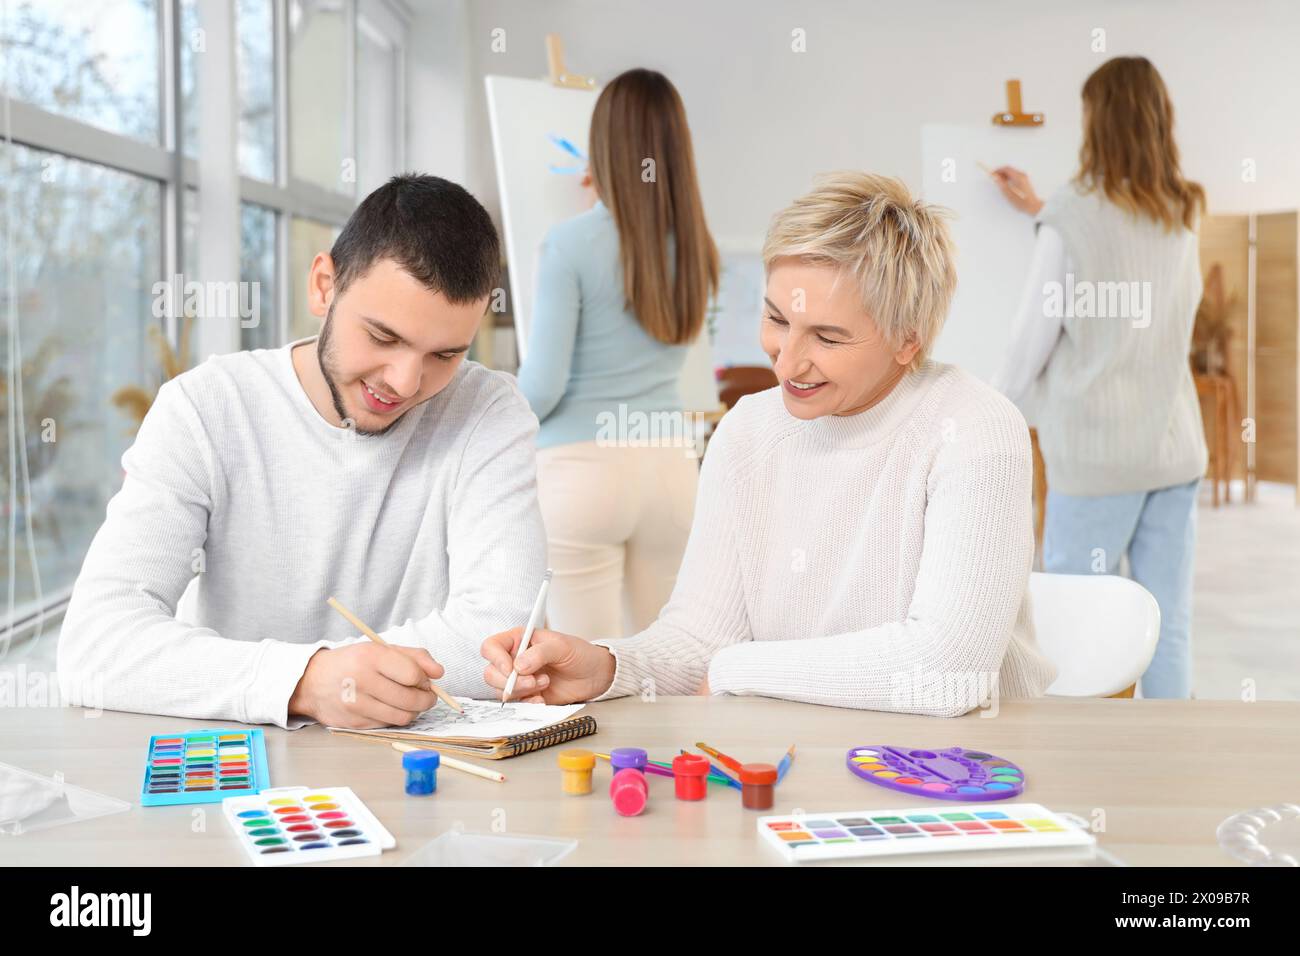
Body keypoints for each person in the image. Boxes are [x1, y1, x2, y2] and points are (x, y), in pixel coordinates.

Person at [483, 172, 1057, 717]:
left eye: (828, 337)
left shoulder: (974, 428)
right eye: (776, 318)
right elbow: (701, 639)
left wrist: (741, 670)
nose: (787, 359)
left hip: (966, 776)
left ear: (909, 339)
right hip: (805, 758)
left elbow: (948, 670)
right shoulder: (749, 431)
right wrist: (609, 667)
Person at [58, 174, 547, 728]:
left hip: (419, 767)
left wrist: (320, 678)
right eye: (384, 338)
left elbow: (502, 641)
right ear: (323, 286)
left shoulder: (489, 411)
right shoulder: (205, 408)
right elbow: (95, 645)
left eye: (445, 354)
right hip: (241, 764)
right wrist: (306, 680)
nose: (406, 382)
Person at [990, 56, 1207, 698]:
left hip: (1097, 458)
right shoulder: (1185, 209)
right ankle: (1171, 769)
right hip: (1173, 452)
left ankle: (1080, 780)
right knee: (1167, 624)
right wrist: (1042, 207)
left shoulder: (1072, 213)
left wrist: (991, 411)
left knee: (1072, 627)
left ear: (1097, 122)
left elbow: (1032, 338)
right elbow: (1128, 256)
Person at [516, 68, 718, 639]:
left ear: (602, 147)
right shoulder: (697, 248)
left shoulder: (567, 243)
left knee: (587, 678)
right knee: (665, 668)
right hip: (671, 473)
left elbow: (543, 387)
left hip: (582, 475)